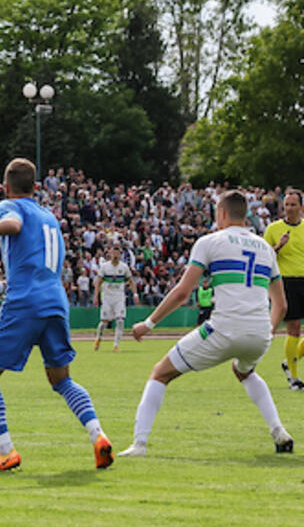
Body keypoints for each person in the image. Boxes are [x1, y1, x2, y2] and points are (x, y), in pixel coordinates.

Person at [0, 158, 112, 471]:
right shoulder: (49, 217)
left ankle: (5, 451)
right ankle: (99, 436)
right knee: (61, 380)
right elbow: (39, 266)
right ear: (37, 187)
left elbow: (13, 226)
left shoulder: (8, 207)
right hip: (54, 300)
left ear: (5, 188)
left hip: (25, 301)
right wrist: (0, 285)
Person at [120, 190, 294, 457]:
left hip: (223, 329)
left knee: (160, 373)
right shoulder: (267, 250)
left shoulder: (210, 242)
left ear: (222, 213)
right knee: (244, 372)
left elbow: (182, 292)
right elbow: (280, 305)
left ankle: (139, 444)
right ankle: (279, 431)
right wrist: (265, 333)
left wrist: (148, 323)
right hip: (260, 333)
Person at [262, 189, 304, 390]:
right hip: (286, 282)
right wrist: (278, 246)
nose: (289, 208)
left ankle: (290, 361)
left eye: (293, 204)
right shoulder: (273, 229)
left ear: (301, 207)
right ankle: (294, 379)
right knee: (294, 328)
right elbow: (264, 256)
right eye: (286, 204)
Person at [92, 245, 139, 352]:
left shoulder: (124, 267)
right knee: (104, 322)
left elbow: (131, 281)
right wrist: (96, 296)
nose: (115, 255)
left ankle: (116, 345)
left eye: (118, 253)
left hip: (119, 297)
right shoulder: (104, 267)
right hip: (107, 298)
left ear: (120, 255)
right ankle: (98, 338)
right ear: (110, 254)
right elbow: (98, 282)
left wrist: (135, 294)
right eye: (114, 253)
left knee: (120, 321)